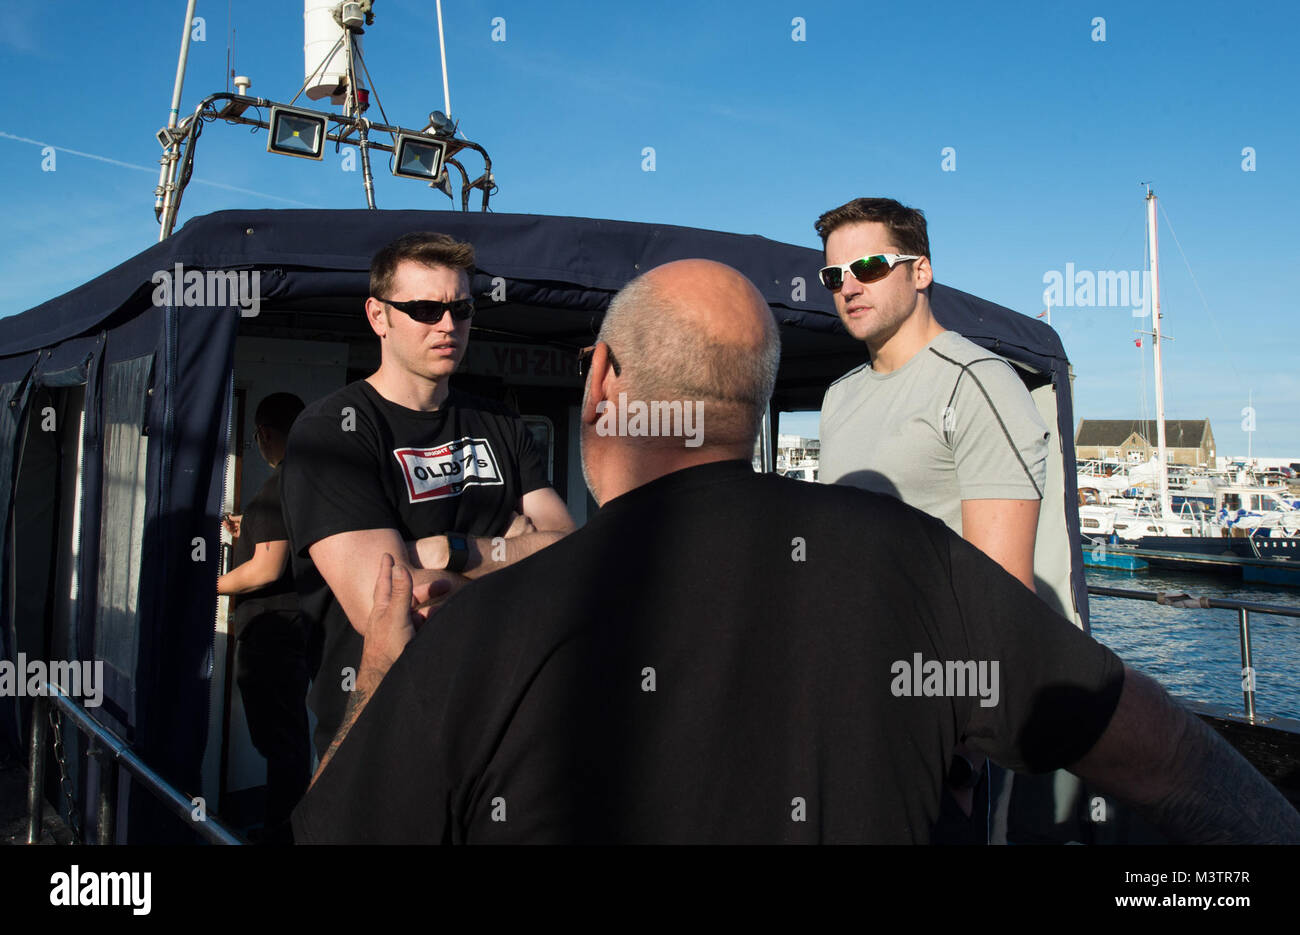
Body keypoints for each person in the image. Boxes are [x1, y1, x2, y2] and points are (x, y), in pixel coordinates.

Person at [292, 260, 1300, 845]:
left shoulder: (479, 630)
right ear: (758, 404)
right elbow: (1166, 756)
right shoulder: (915, 565)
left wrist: (381, 668)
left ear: (600, 379)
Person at [814, 197, 1055, 842]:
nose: (848, 286)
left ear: (920, 271)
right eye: (833, 275)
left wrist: (961, 747)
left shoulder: (977, 382)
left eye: (867, 265)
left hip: (932, 729)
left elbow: (1001, 592)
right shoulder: (839, 397)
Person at [280, 232, 575, 756]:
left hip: (500, 719)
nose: (447, 326)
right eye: (423, 309)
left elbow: (570, 553)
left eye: (460, 309)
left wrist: (451, 551)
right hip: (383, 731)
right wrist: (515, 545)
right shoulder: (334, 431)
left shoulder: (500, 422)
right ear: (379, 317)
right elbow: (387, 607)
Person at [216, 392, 308, 844]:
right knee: (288, 741)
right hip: (297, 631)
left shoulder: (275, 489)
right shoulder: (303, 482)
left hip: (272, 636)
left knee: (281, 746)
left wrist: (212, 585)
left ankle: (279, 835)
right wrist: (246, 524)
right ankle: (285, 829)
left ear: (264, 434)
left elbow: (267, 568)